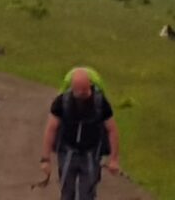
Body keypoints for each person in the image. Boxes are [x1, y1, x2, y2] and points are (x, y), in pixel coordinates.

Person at [40, 66, 121, 198]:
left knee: (87, 195)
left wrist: (114, 159)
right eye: (79, 91)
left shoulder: (100, 103)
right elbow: (51, 129)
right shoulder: (62, 101)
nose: (83, 94)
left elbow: (112, 129)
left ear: (90, 85)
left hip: (91, 154)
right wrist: (45, 159)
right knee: (67, 193)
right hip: (67, 153)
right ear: (72, 88)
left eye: (85, 91)